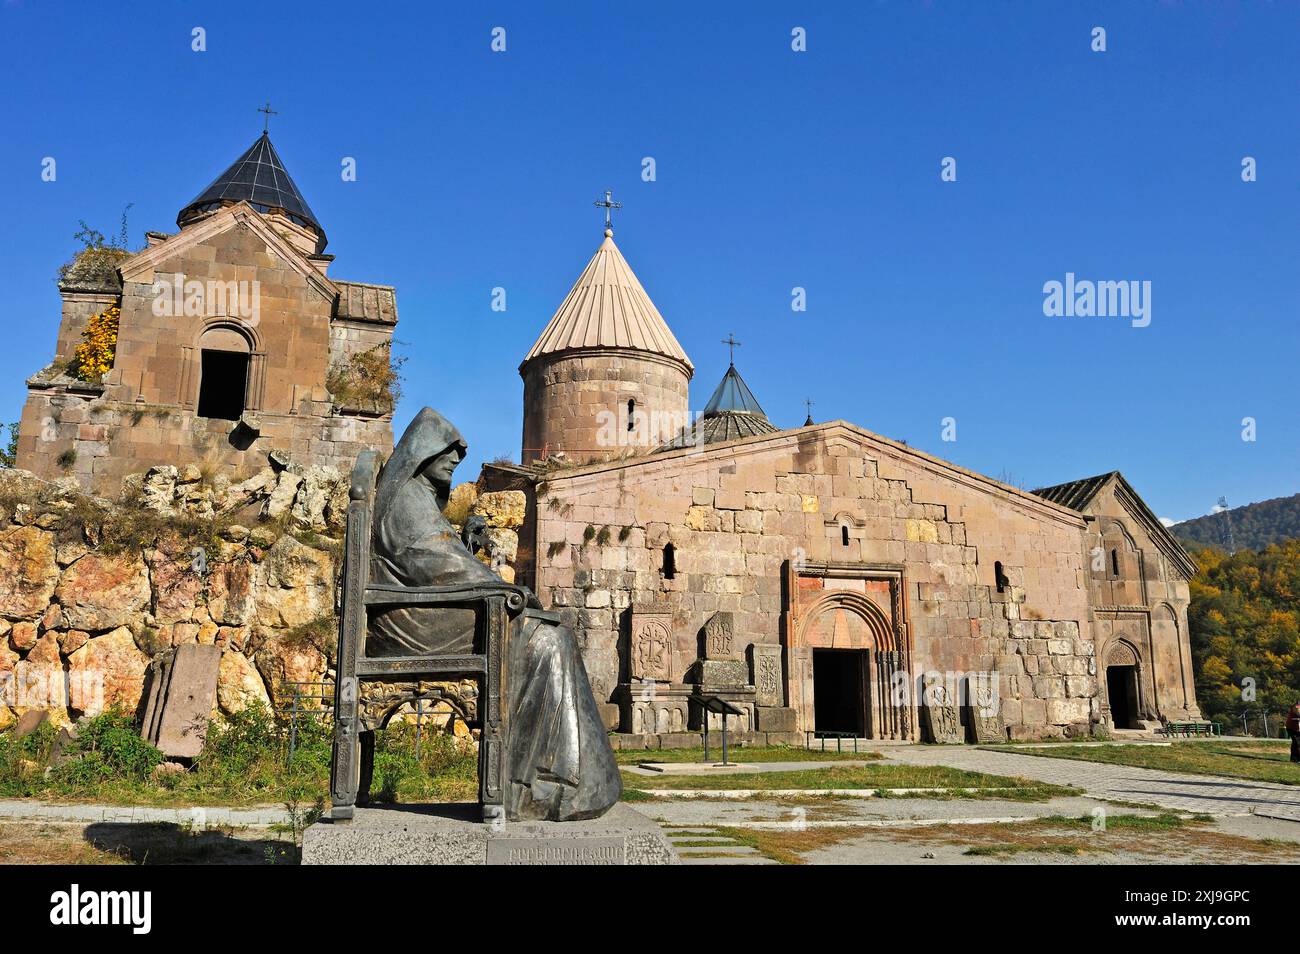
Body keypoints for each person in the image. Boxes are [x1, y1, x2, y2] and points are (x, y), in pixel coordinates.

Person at [367, 407, 621, 821]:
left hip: (427, 613)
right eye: (447, 451)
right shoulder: (406, 503)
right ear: (422, 453)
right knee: (549, 640)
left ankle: (551, 777)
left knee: (553, 633)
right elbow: (432, 563)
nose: (454, 460)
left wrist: (467, 550)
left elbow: (439, 561)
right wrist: (507, 589)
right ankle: (542, 783)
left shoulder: (415, 500)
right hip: (413, 624)